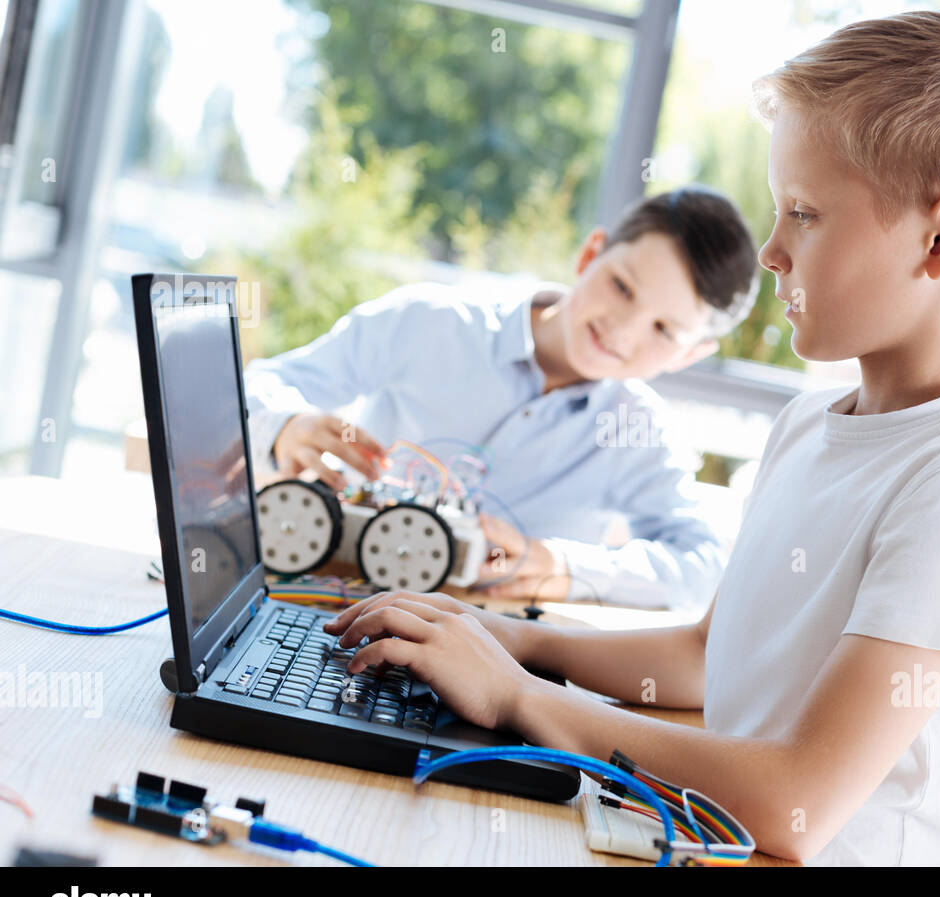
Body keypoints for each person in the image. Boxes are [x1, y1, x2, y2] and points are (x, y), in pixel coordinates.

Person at [322, 8, 940, 864]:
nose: (771, 252)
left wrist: (521, 697)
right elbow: (707, 654)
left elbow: (794, 808)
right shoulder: (812, 424)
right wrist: (509, 638)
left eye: (804, 213)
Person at [243, 186, 759, 610]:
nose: (622, 330)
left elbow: (706, 565)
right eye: (622, 287)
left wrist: (564, 566)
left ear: (689, 355)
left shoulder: (639, 432)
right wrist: (284, 423)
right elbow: (251, 385)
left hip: (482, 655)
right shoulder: (426, 323)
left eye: (665, 329)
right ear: (589, 254)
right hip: (323, 597)